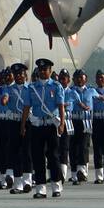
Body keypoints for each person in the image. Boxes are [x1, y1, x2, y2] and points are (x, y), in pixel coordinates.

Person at [20, 58, 65, 199]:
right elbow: (27, 107)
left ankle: (56, 186)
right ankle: (40, 189)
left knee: (53, 157)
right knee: (37, 157)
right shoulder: (31, 88)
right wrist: (23, 124)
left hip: (51, 125)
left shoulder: (56, 86)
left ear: (50, 71)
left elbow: (61, 106)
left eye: (45, 69)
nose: (43, 72)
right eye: (40, 70)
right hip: (37, 125)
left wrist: (62, 123)